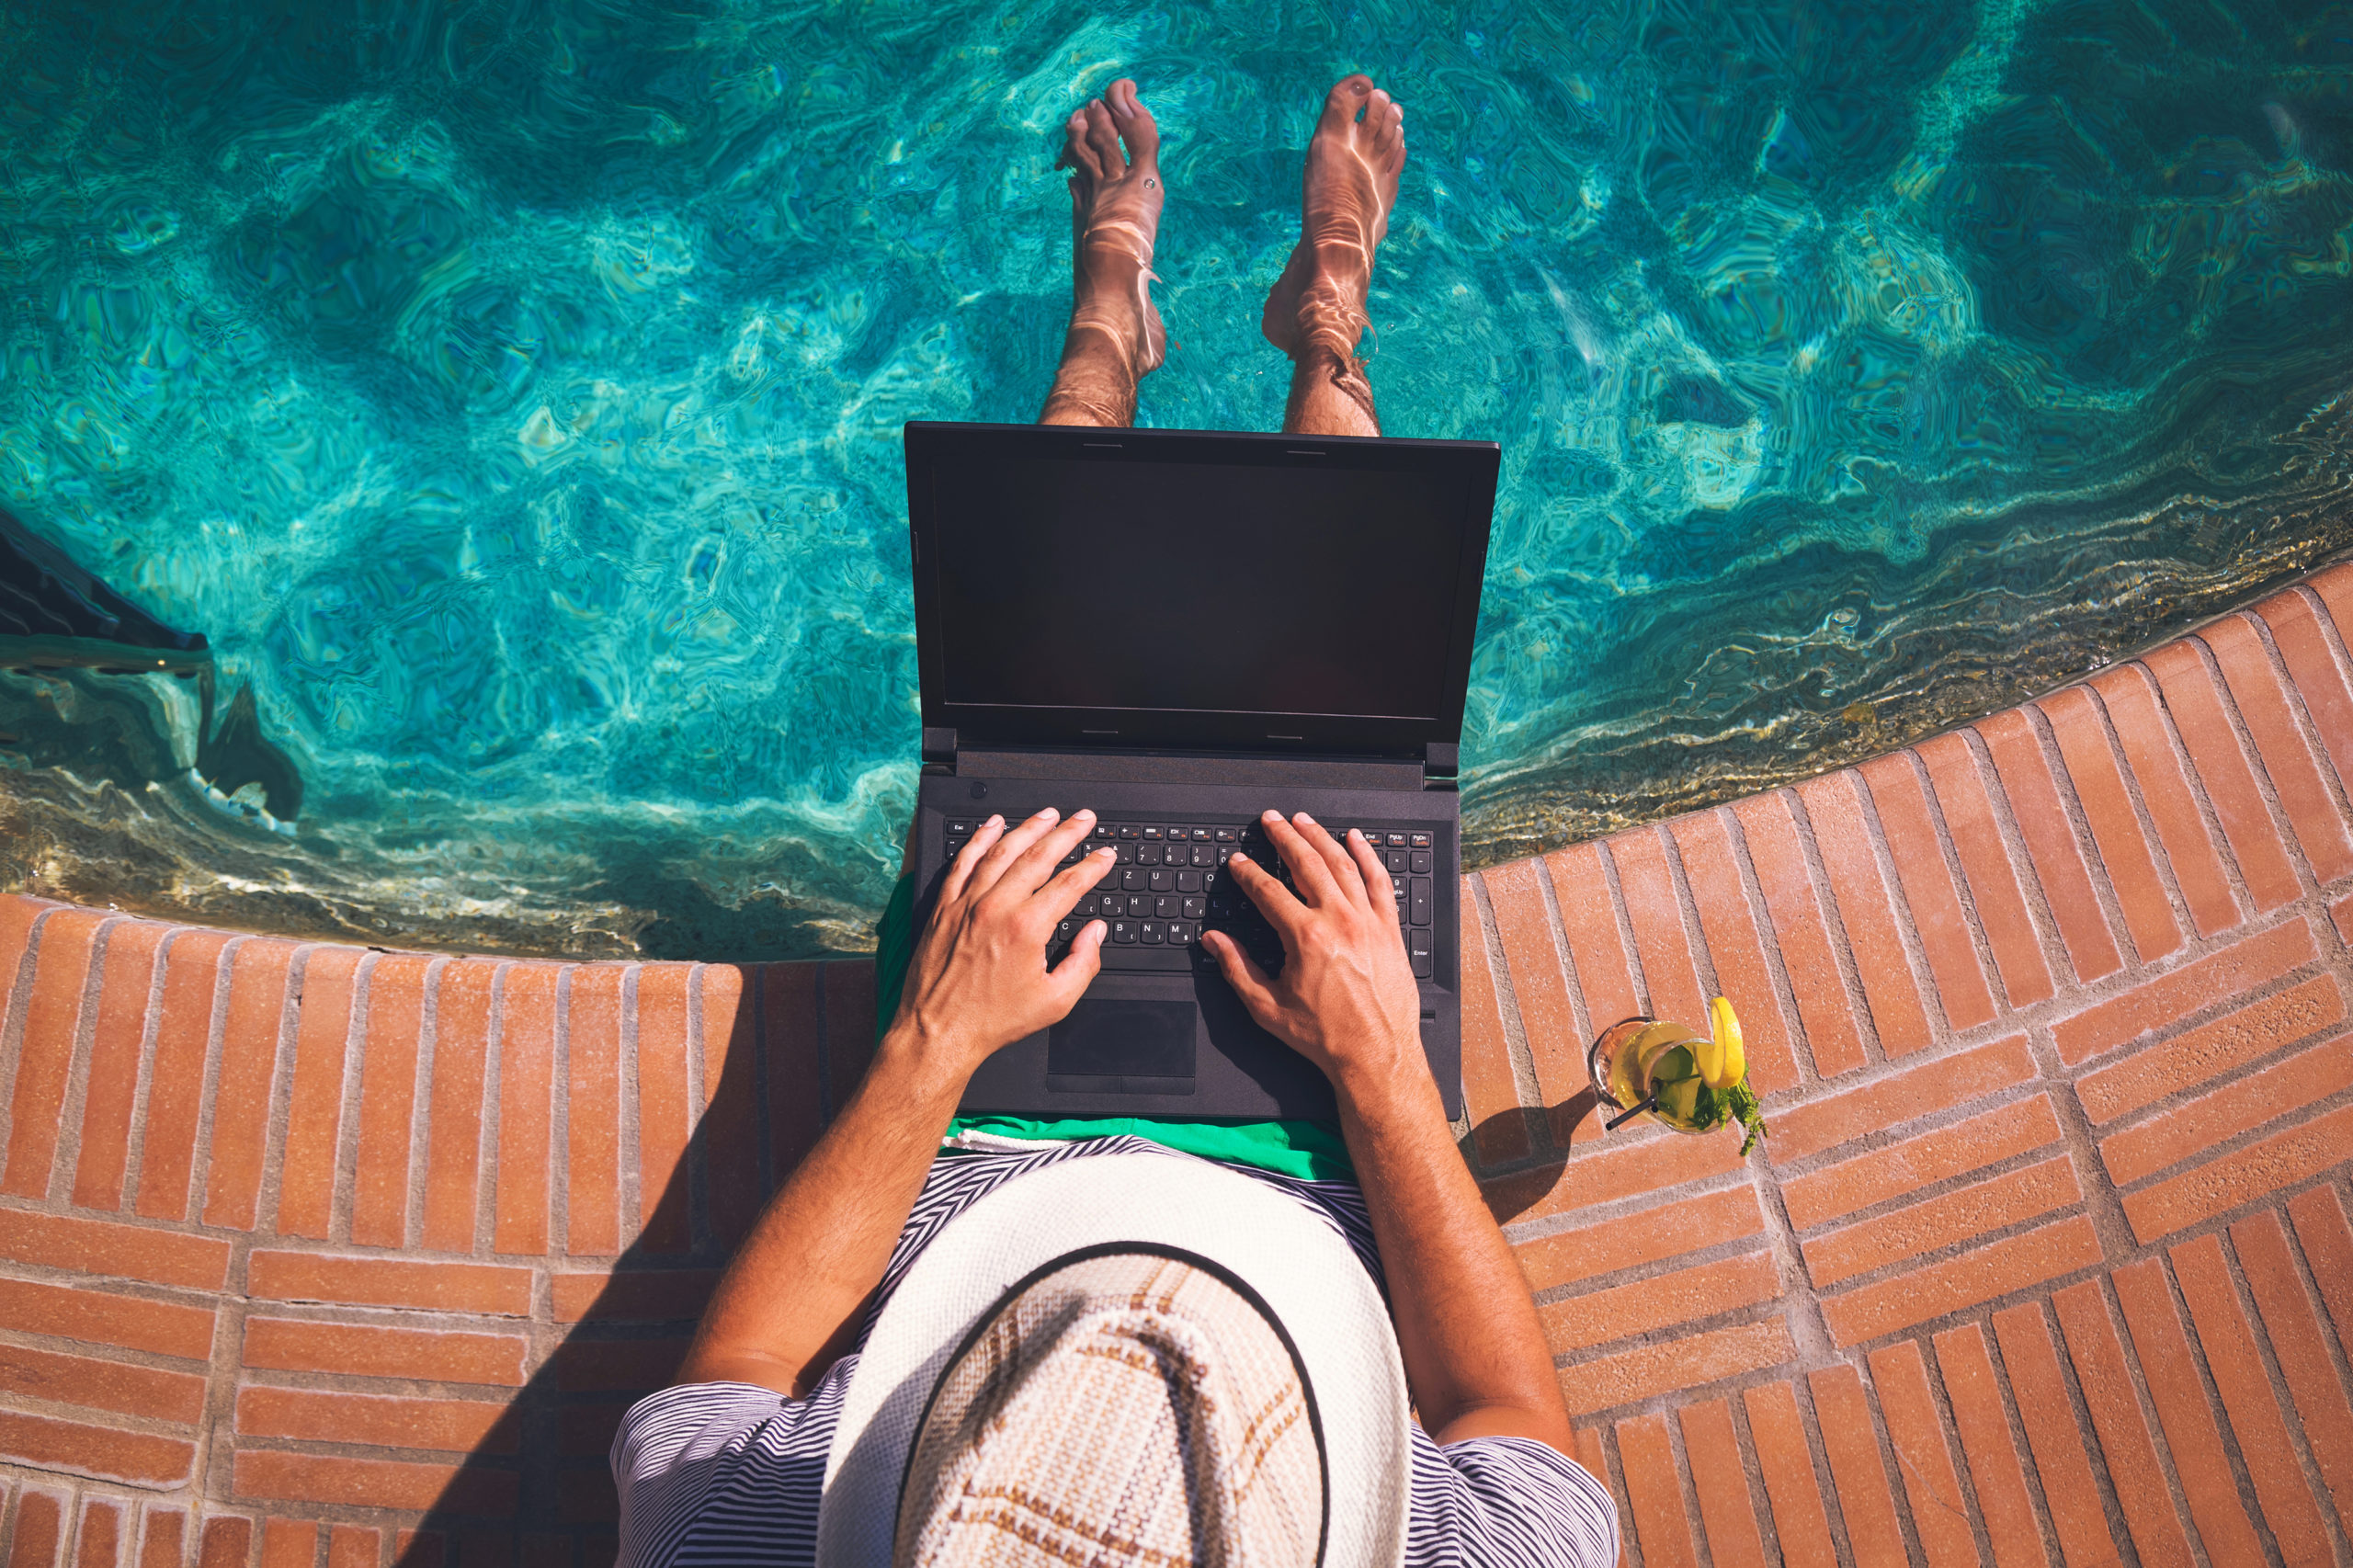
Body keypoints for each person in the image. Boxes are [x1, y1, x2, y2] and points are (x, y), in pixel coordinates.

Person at [612, 77, 1618, 1568]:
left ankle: (1107, 333)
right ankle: (1326, 326)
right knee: (1336, 696)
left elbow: (724, 1386)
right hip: (1325, 1145)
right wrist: (1383, 1068)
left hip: (967, 1125)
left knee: (1027, 711)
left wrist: (932, 1046)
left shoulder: (731, 1541)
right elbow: (1503, 1416)